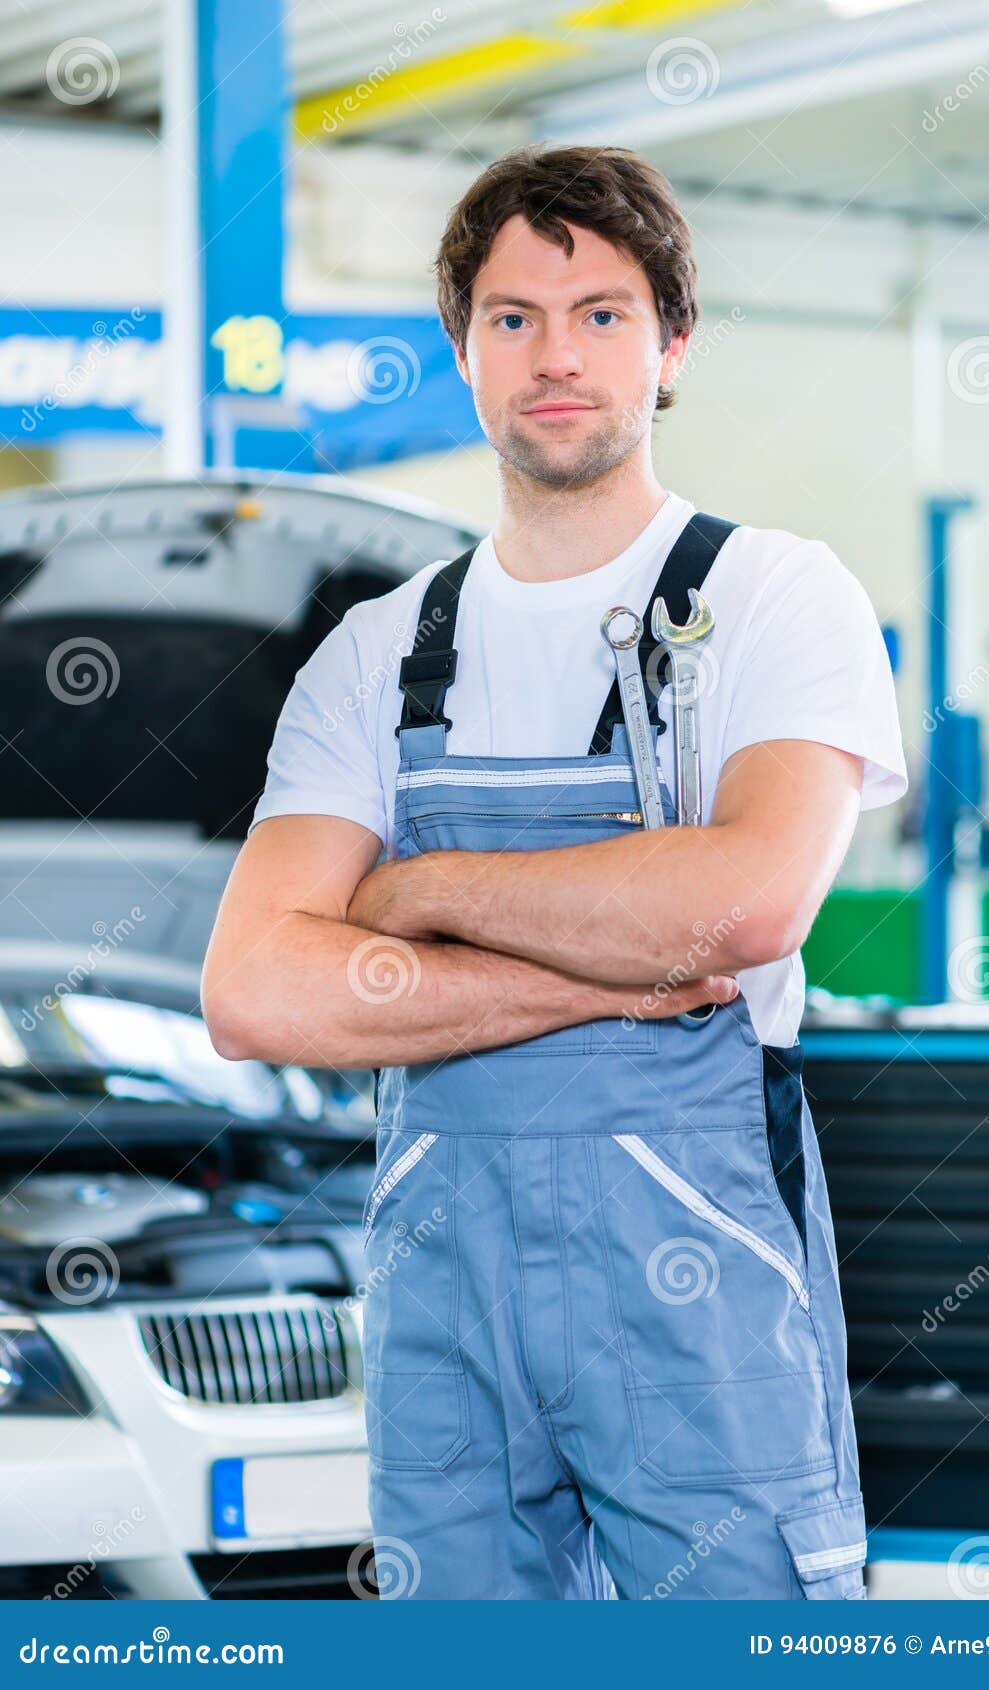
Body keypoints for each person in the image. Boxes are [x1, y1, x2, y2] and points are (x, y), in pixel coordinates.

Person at [202, 145, 907, 1600]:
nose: (557, 356)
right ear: (463, 350)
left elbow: (744, 905)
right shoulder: (376, 653)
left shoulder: (774, 596)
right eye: (512, 317)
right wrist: (605, 974)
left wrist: (423, 896)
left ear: (672, 344)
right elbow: (257, 991)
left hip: (698, 1288)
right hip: (444, 1308)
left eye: (601, 313)